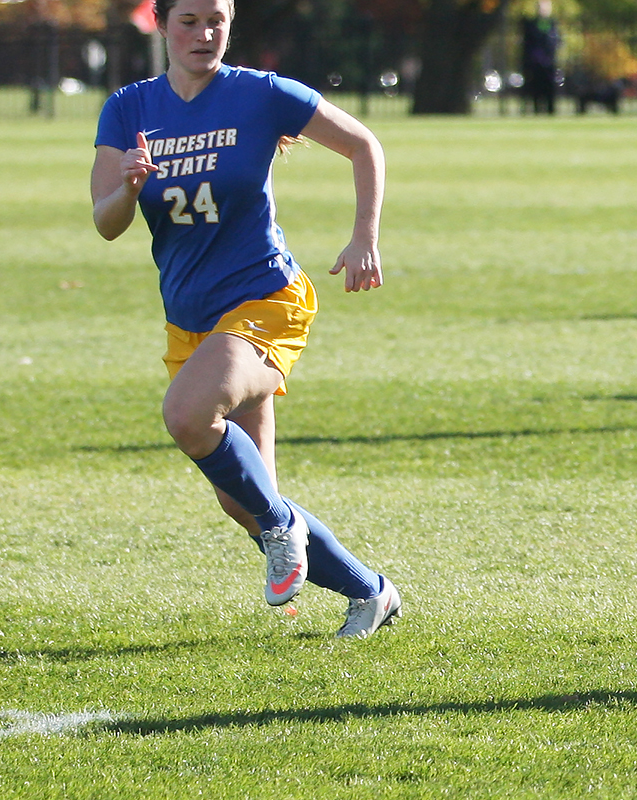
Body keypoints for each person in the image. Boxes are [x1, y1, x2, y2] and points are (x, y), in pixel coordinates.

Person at [90, 0, 401, 637]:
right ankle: (370, 592)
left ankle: (285, 530)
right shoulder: (128, 107)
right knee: (245, 503)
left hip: (264, 300)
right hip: (190, 321)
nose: (205, 34)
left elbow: (364, 145)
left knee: (186, 415)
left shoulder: (261, 94)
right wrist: (128, 184)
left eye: (218, 21)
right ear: (162, 23)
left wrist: (364, 236)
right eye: (189, 21)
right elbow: (106, 221)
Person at [521, 0, 561, 116]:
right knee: (536, 89)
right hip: (535, 63)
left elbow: (555, 41)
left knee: (550, 89)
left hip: (549, 63)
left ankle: (551, 111)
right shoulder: (531, 24)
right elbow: (528, 44)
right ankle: (537, 111)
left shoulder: (552, 23)